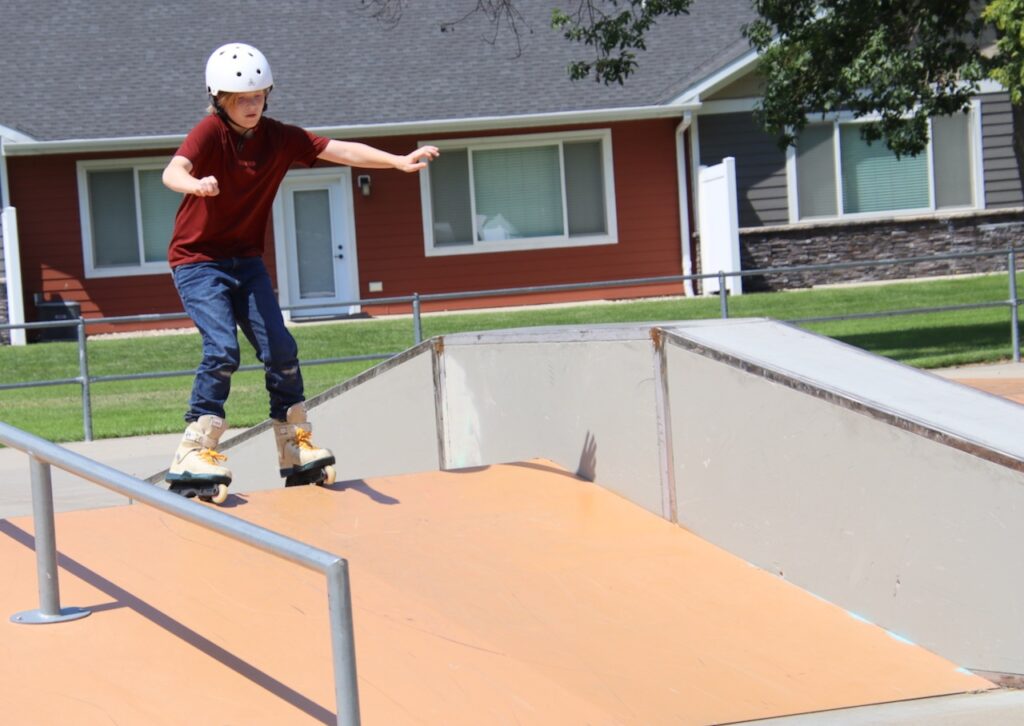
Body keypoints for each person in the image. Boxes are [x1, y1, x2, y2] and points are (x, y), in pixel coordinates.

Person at [162, 42, 439, 502]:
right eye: (240, 100)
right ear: (219, 100)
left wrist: (395, 161)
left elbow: (339, 150)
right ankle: (194, 448)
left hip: (246, 260)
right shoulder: (210, 134)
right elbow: (174, 170)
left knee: (282, 348)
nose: (251, 107)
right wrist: (196, 184)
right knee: (222, 349)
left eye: (258, 97)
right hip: (197, 261)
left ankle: (293, 445)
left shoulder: (279, 137)